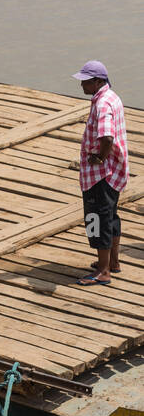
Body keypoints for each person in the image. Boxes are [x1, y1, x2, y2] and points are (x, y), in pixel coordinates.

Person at [73, 60, 128, 285]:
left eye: (85, 81)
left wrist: (98, 158)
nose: (82, 85)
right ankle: (113, 262)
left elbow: (106, 137)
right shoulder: (112, 97)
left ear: (97, 82)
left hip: (101, 174)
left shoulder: (103, 104)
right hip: (115, 171)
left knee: (97, 218)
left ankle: (103, 271)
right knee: (111, 215)